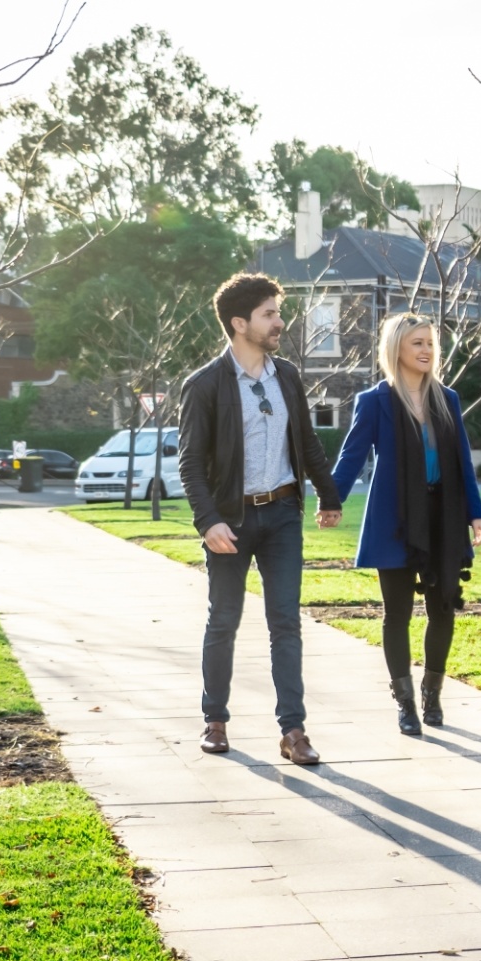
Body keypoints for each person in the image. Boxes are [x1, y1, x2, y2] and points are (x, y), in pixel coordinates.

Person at [178, 274, 344, 765]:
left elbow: (308, 442)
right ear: (239, 323)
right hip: (230, 521)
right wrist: (208, 522)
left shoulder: (288, 376)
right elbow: (190, 462)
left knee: (285, 623)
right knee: (224, 620)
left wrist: (328, 494)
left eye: (277, 312)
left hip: (283, 516)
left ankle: (293, 732)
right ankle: (215, 720)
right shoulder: (205, 384)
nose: (279, 321)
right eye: (270, 313)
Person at [330, 313, 481, 736]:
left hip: (444, 515)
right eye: (417, 342)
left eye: (430, 343)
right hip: (394, 519)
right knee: (396, 614)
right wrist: (332, 500)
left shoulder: (447, 399)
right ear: (396, 347)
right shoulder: (375, 400)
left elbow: (462, 462)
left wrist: (476, 512)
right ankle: (405, 705)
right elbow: (352, 455)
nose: (426, 350)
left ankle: (433, 694)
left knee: (442, 610)